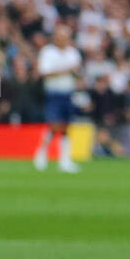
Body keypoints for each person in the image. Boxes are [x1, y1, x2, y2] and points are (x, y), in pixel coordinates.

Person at [33, 23, 82, 173]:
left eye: (66, 37)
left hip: (68, 92)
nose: (63, 40)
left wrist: (74, 74)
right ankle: (41, 153)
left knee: (66, 127)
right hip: (53, 93)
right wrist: (66, 70)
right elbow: (44, 72)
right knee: (54, 125)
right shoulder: (48, 52)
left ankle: (64, 160)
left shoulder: (73, 52)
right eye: (61, 37)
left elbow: (77, 73)